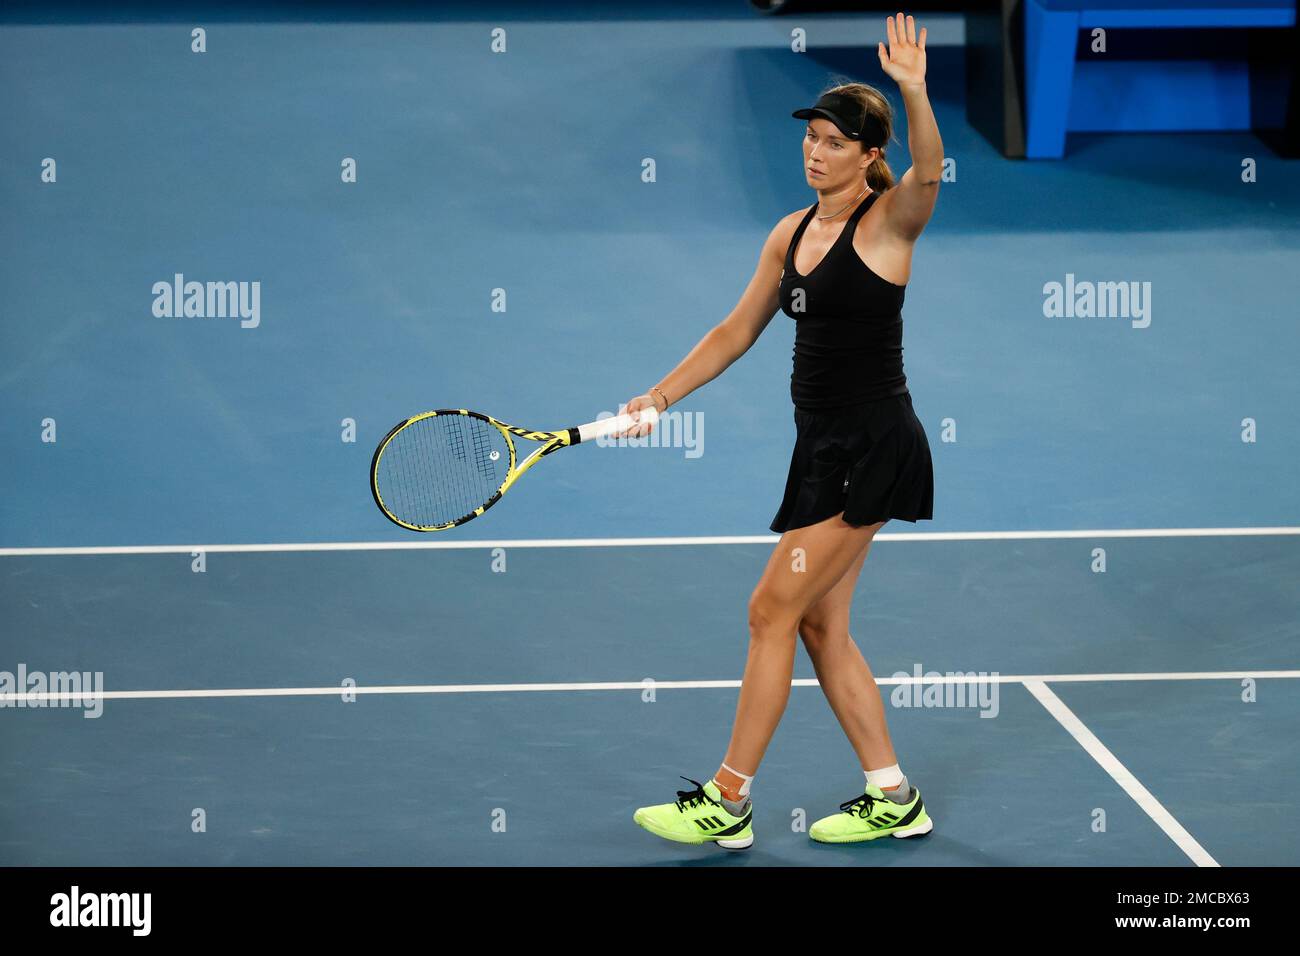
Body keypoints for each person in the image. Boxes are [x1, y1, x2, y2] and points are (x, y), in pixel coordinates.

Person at [618, 12, 943, 849]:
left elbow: (931, 174)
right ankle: (894, 794)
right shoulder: (790, 233)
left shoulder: (887, 224)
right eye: (812, 137)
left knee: (769, 611)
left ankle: (728, 801)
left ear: (870, 155)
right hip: (821, 451)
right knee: (818, 623)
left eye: (835, 142)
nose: (815, 151)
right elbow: (734, 332)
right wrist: (658, 397)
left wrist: (912, 89)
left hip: (872, 451)